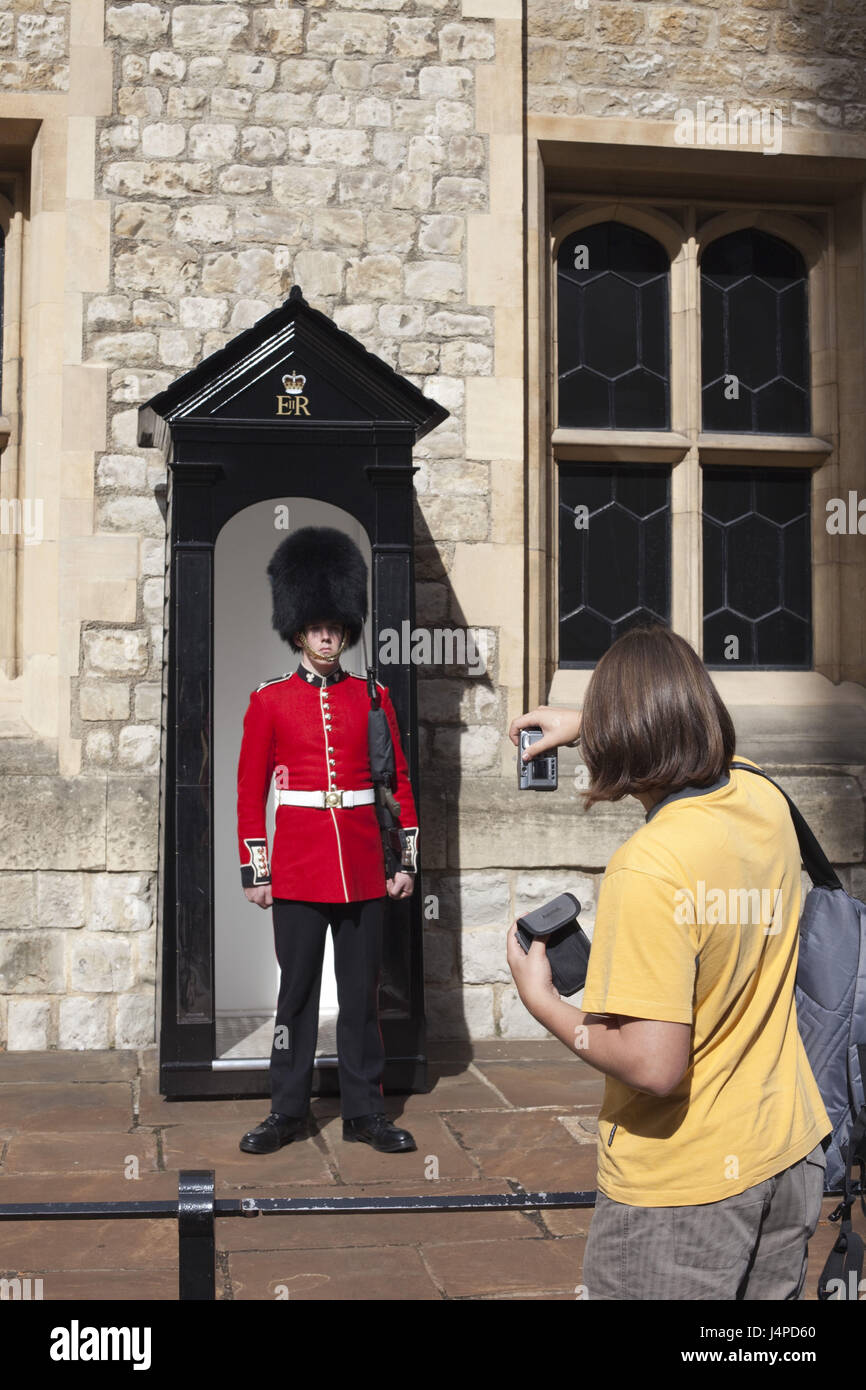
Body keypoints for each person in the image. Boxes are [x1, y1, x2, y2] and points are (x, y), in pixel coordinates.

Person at [507, 624, 831, 1300]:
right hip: (787, 1151)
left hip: (683, 1190)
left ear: (624, 732)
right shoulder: (763, 799)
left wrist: (548, 1005)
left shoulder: (649, 867)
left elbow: (656, 1065)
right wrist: (588, 723)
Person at [237, 526, 419, 1156]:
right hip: (297, 869)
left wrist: (405, 862)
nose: (326, 635)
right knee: (296, 998)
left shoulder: (373, 698)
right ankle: (286, 1109)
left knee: (362, 997)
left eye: (334, 626)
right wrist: (257, 870)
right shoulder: (269, 703)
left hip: (366, 866)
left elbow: (396, 782)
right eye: (315, 626)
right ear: (297, 631)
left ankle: (365, 1110)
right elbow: (248, 795)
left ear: (346, 628)